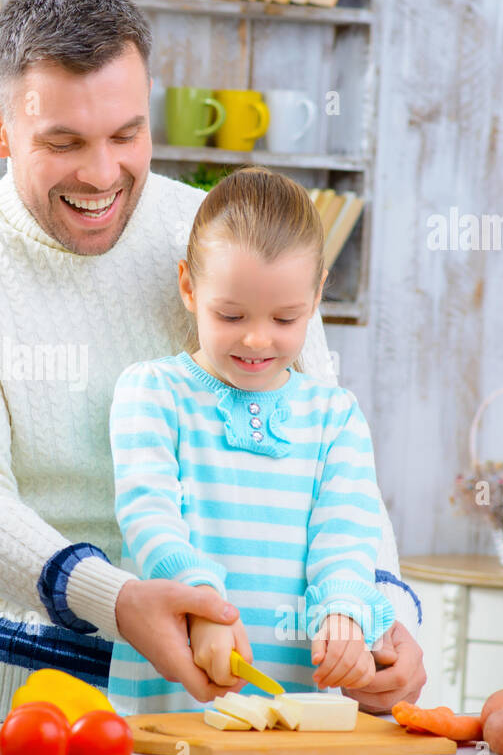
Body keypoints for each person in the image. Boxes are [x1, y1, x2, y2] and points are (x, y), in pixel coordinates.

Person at [0, 0, 425, 723]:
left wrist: (391, 609)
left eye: (127, 134)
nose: (102, 173)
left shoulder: (221, 234)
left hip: (234, 699)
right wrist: (119, 602)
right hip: (27, 697)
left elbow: (331, 451)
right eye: (64, 142)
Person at [107, 166, 393, 715]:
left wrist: (344, 615)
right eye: (230, 314)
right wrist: (203, 606)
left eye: (286, 318)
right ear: (189, 287)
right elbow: (148, 514)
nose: (258, 339)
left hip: (296, 712)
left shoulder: (335, 417)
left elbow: (348, 537)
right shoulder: (154, 393)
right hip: (167, 712)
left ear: (316, 297)